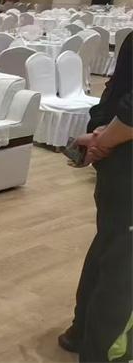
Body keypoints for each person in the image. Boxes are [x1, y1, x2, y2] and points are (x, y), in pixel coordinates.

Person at [59, 33, 132, 362]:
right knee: (123, 269)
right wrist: (104, 139)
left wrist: (100, 135)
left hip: (117, 163)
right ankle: (98, 352)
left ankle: (81, 332)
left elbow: (115, 91)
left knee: (109, 247)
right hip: (125, 163)